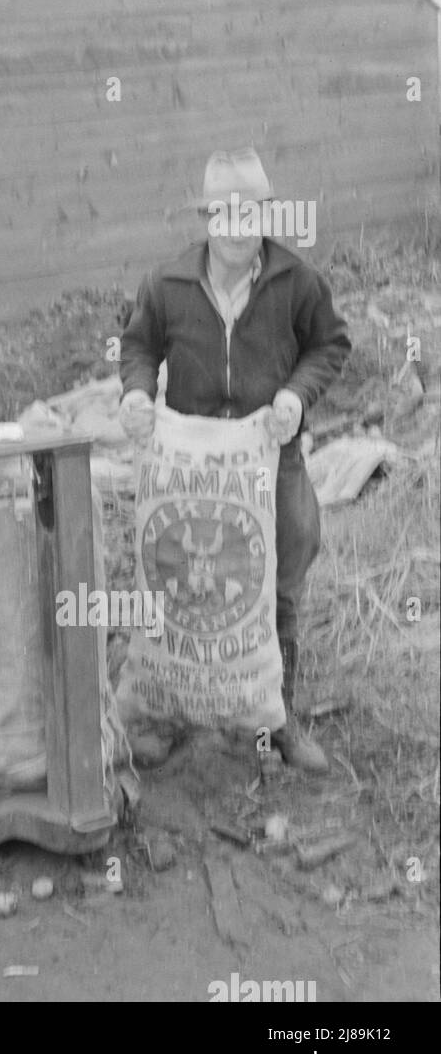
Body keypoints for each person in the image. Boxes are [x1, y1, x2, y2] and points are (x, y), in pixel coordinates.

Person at [118, 147, 351, 773]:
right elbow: (137, 346)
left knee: (282, 574)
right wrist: (138, 392)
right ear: (207, 217)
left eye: (247, 212)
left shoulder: (297, 283)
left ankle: (277, 719)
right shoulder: (166, 284)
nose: (235, 225)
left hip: (269, 455)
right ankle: (169, 713)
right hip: (192, 462)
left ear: (263, 216)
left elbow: (330, 344)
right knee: (176, 581)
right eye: (222, 212)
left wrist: (296, 398)